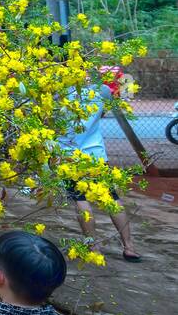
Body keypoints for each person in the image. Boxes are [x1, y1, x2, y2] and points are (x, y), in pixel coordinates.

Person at [56, 79, 141, 262]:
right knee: (111, 197)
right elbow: (101, 114)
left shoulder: (58, 89)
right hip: (96, 153)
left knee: (80, 198)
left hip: (68, 154)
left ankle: (93, 246)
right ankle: (129, 246)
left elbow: (49, 121)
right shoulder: (102, 90)